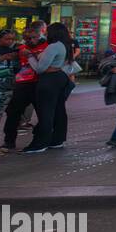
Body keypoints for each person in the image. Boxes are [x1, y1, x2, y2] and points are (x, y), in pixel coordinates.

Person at [23, 22, 75, 154]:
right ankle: (57, 140)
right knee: (59, 110)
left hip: (49, 80)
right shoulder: (65, 45)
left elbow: (40, 69)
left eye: (47, 31)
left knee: (46, 112)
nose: (45, 34)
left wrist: (29, 56)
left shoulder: (53, 46)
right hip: (60, 78)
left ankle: (41, 143)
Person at [2, 23, 46, 150]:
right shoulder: (20, 48)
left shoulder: (47, 46)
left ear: (40, 35)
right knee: (13, 112)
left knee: (44, 114)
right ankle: (9, 140)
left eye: (34, 37)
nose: (31, 40)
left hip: (39, 83)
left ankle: (41, 139)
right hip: (22, 84)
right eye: (28, 38)